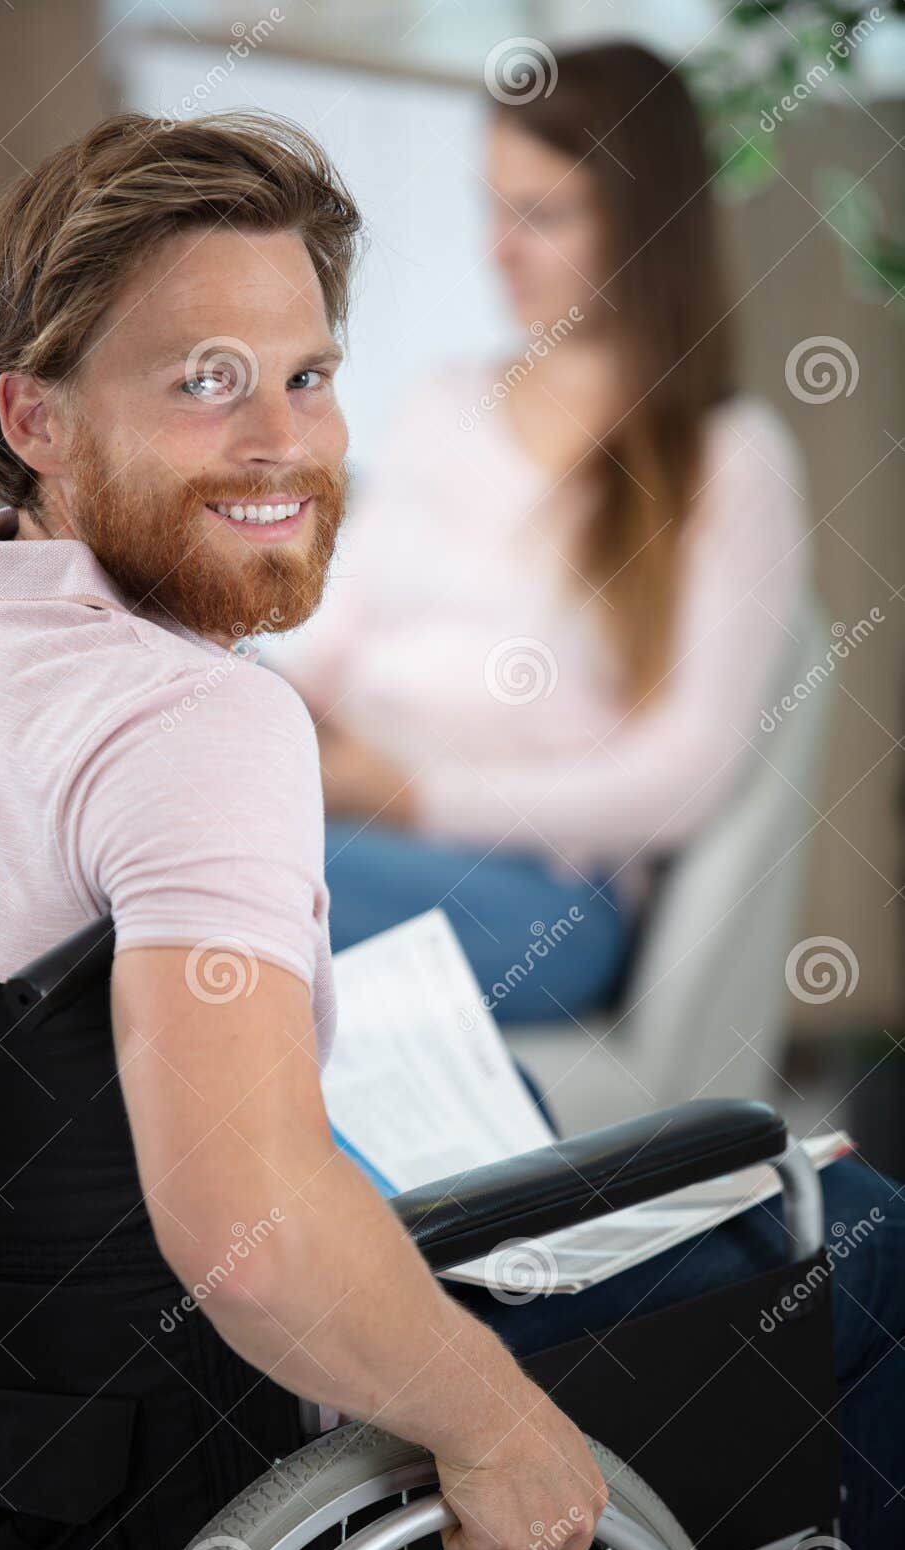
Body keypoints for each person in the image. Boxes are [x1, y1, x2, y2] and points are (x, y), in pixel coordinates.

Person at [0, 110, 606, 1550]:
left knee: (493, 1099)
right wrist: (497, 1420)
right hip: (180, 1498)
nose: (281, 441)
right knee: (853, 1249)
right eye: (205, 381)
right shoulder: (196, 724)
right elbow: (250, 1241)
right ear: (36, 417)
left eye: (306, 376)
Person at [273, 42, 812, 1024]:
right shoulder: (440, 405)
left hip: (539, 897)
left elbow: (683, 773)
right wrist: (236, 716)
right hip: (349, 820)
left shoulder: (725, 460)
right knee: (163, 847)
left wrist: (413, 796)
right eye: (491, 207)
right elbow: (328, 640)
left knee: (203, 887)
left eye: (542, 215)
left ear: (643, 228)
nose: (496, 250)